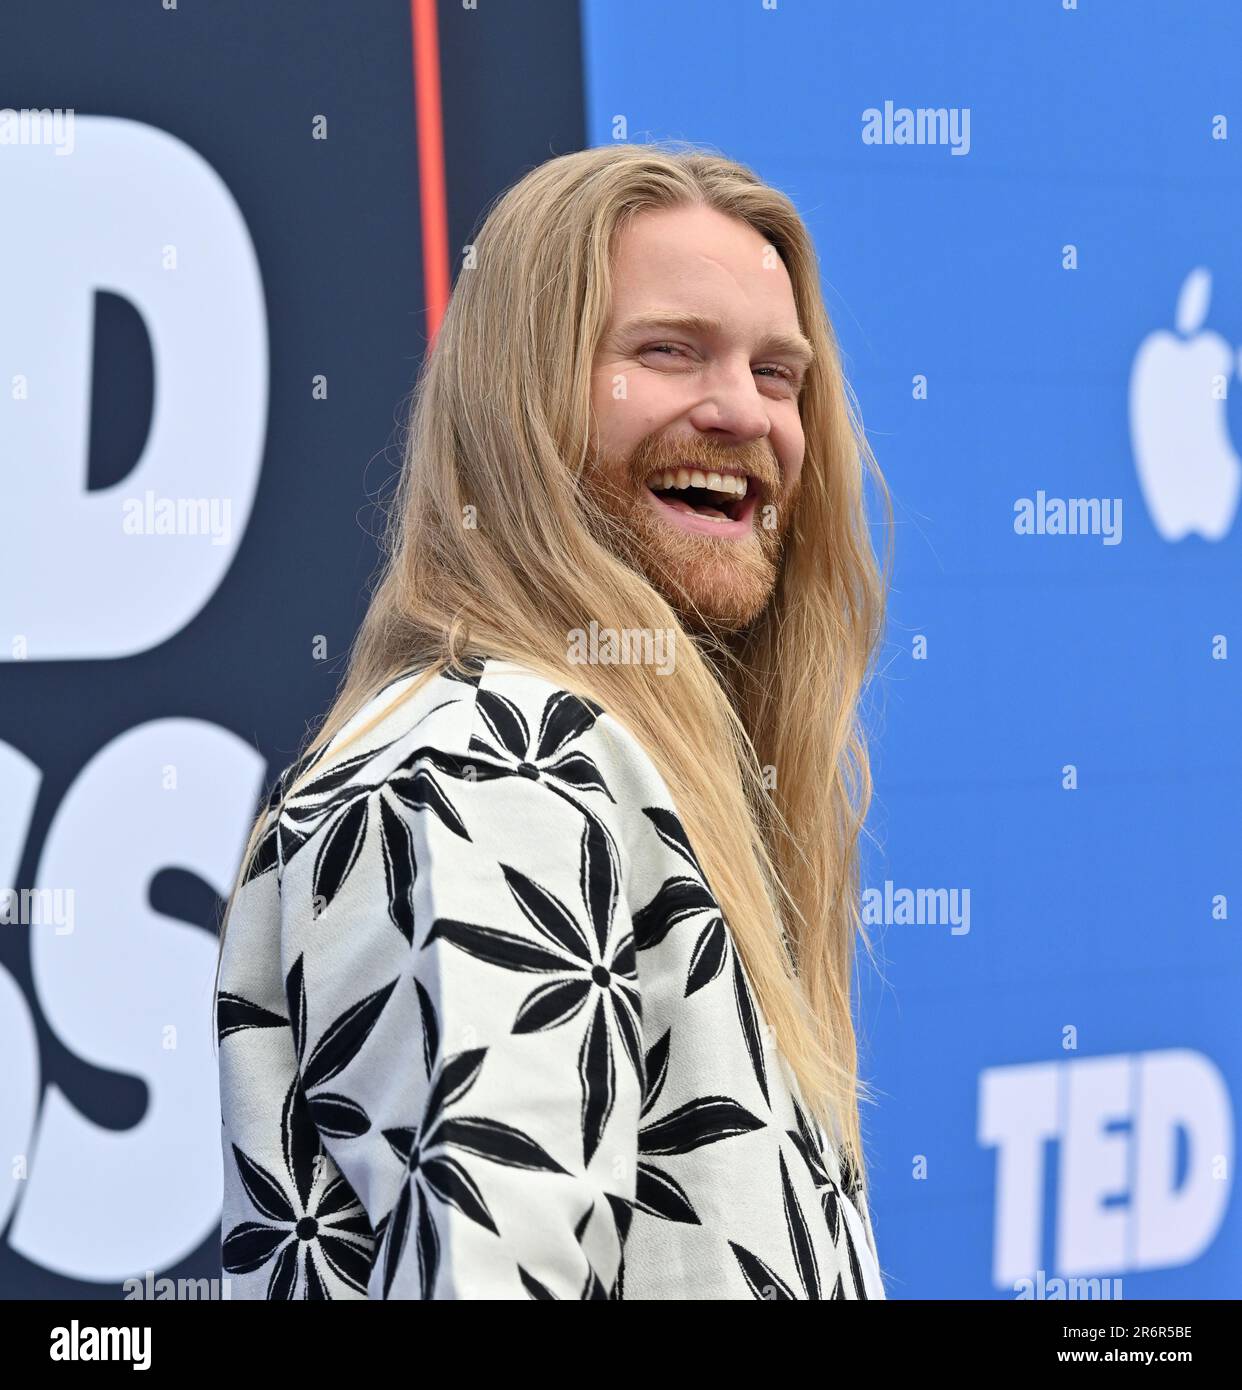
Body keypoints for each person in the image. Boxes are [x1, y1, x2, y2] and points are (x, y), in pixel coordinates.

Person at [214, 142, 892, 1300]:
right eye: (668, 352)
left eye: (781, 374)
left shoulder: (594, 766)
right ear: (520, 401)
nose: (744, 411)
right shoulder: (492, 769)